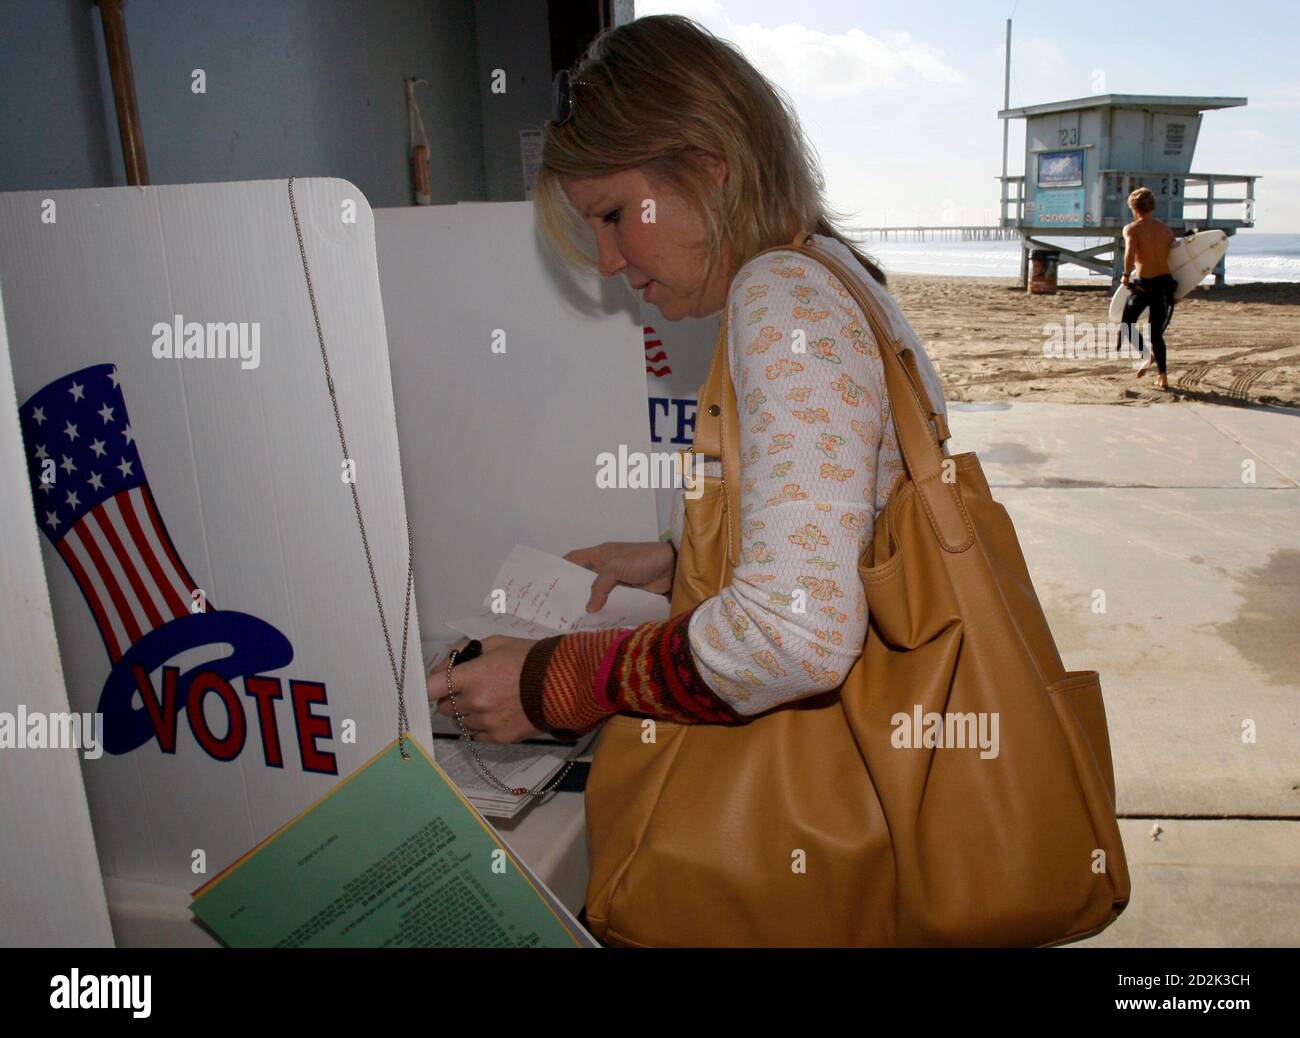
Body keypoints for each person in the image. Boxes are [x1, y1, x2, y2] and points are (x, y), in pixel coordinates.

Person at [426, 13, 948, 745]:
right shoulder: (833, 272)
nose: (608, 260)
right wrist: (683, 565)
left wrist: (554, 681)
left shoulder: (780, 296)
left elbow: (793, 639)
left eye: (613, 215)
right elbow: (850, 538)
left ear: (709, 166)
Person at [1116, 186, 1177, 391]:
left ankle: (1146, 355)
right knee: (1156, 333)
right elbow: (1177, 257)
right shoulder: (1166, 230)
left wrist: (1125, 275)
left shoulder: (1132, 229)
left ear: (1134, 208)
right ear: (1153, 207)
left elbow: (1130, 254)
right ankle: (1163, 375)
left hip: (1145, 286)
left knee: (1126, 324)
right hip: (1165, 285)